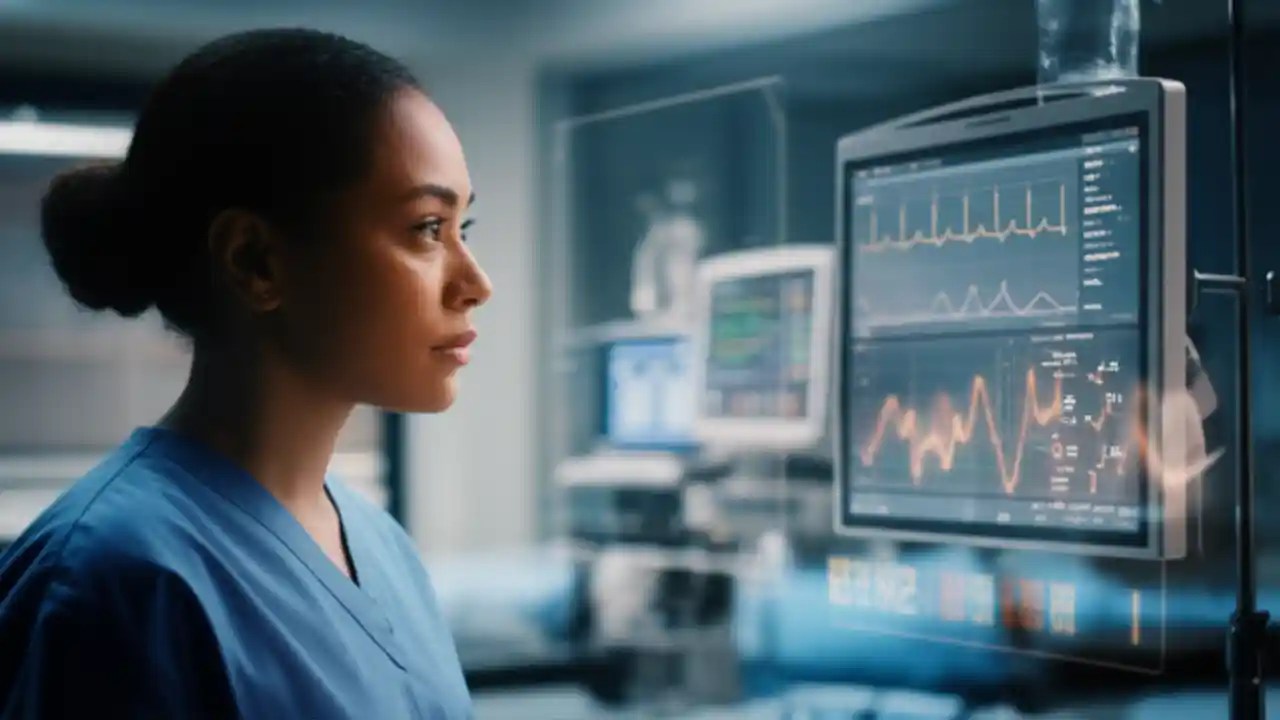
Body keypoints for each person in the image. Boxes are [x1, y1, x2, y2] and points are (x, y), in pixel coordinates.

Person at [0, 28, 490, 719]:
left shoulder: (382, 548)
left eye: (464, 229)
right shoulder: (116, 581)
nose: (475, 283)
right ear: (255, 260)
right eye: (427, 228)